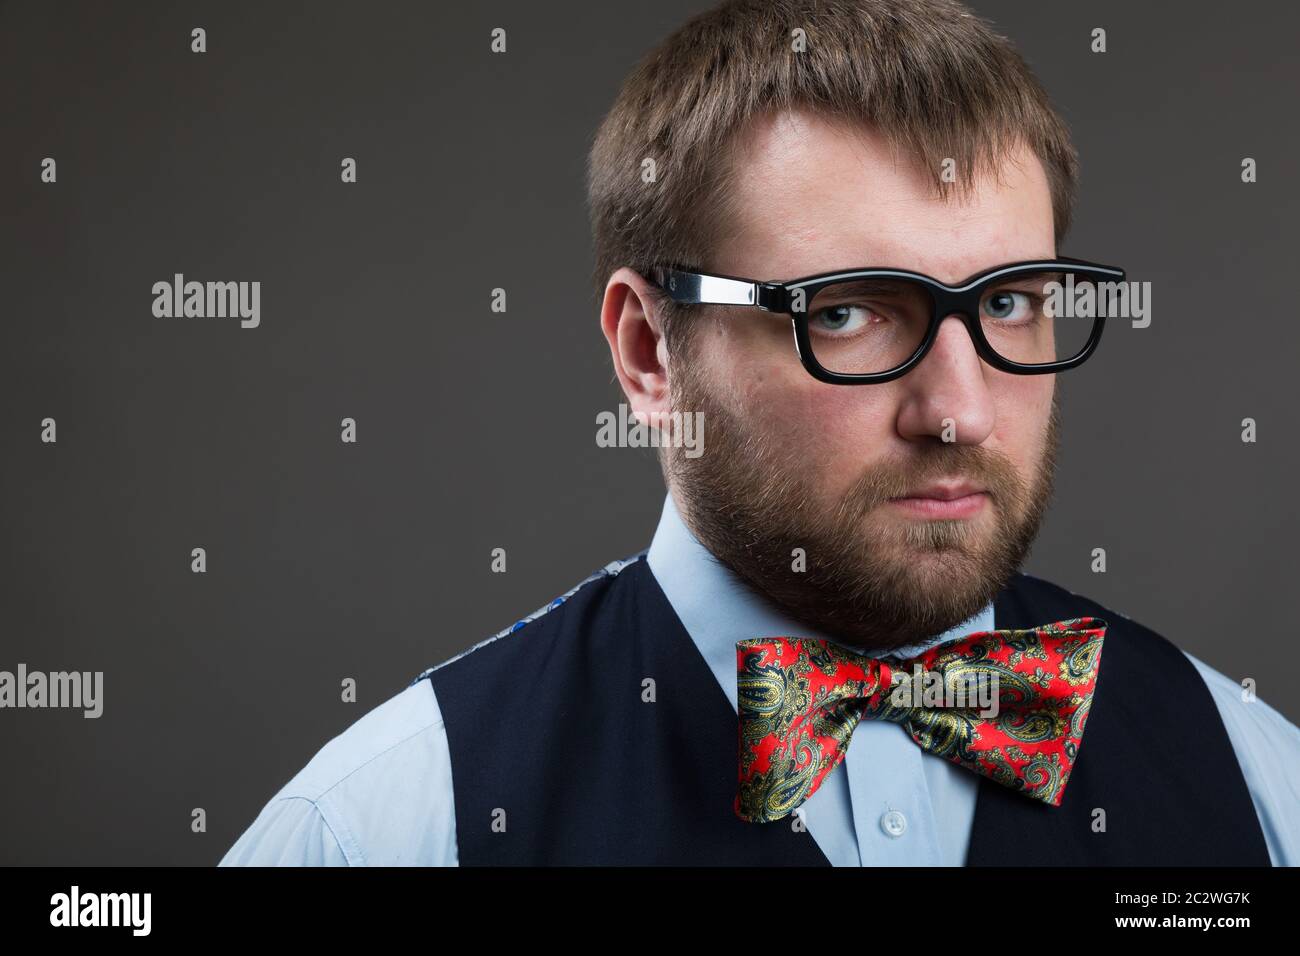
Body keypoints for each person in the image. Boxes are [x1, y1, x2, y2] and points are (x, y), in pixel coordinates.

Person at [220, 0, 1299, 866]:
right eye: (845, 312)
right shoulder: (384, 827)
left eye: (1011, 301)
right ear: (649, 353)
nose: (960, 411)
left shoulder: (1256, 777)